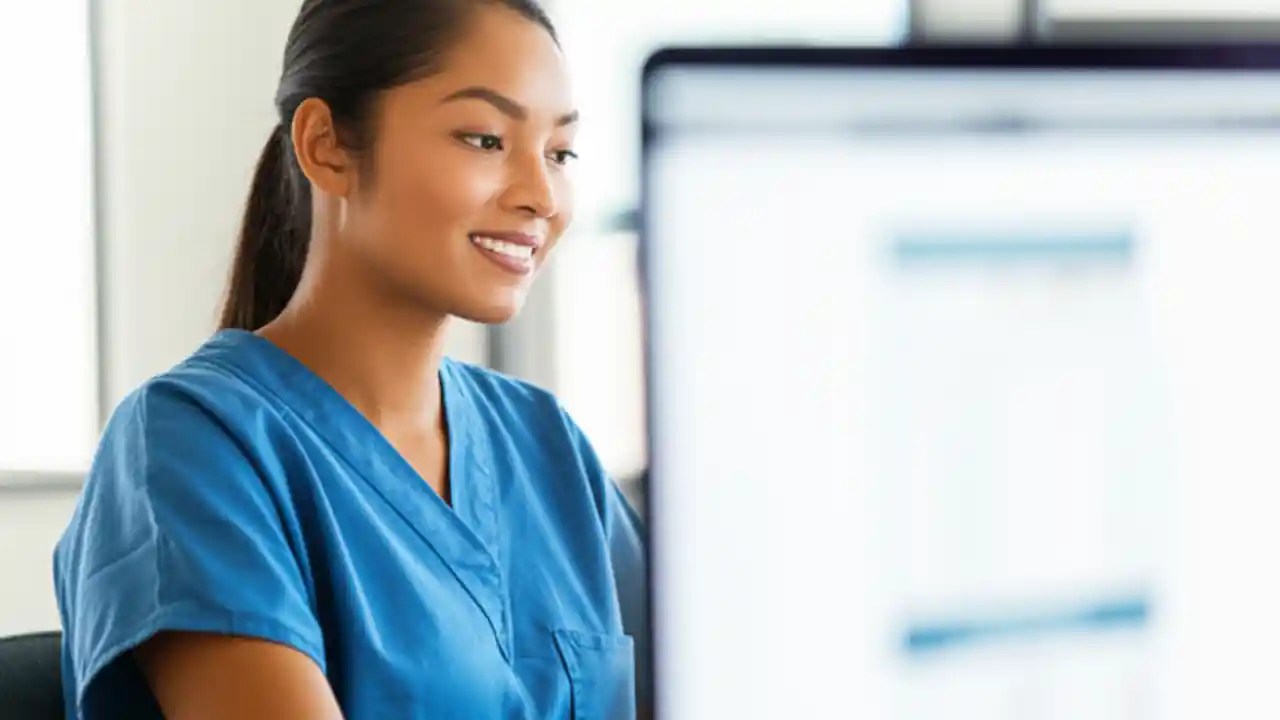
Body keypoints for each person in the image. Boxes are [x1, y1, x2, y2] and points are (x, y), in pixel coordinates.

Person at [52, 1, 649, 717]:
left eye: (560, 153)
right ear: (326, 145)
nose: (541, 196)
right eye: (484, 139)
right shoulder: (191, 448)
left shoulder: (549, 448)